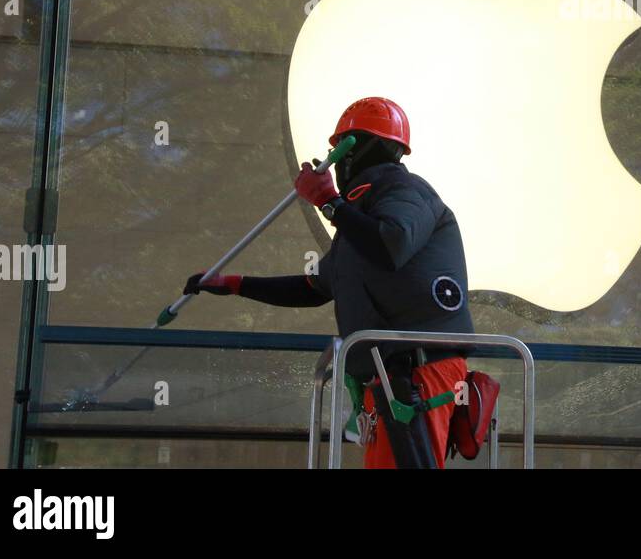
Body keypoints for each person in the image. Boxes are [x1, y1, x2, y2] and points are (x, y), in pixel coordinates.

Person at [184, 96, 474, 468]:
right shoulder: (357, 227)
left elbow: (392, 243)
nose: (337, 159)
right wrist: (236, 283)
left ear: (358, 149)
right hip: (389, 373)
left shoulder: (405, 191)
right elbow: (313, 288)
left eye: (340, 148)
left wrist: (329, 202)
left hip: (420, 368)